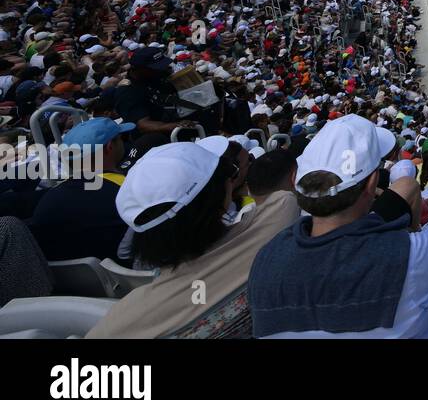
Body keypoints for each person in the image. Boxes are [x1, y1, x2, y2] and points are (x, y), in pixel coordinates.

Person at [247, 115, 428, 338]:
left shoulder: (264, 262)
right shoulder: (411, 254)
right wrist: (424, 233)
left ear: (296, 181)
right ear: (372, 184)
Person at [88, 140, 299, 338]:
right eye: (229, 172)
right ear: (223, 196)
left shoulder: (119, 325)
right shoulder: (280, 217)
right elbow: (282, 199)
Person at [27, 117, 133, 262]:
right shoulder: (129, 190)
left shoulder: (50, 197)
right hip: (128, 274)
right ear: (109, 146)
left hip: (70, 281)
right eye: (120, 138)